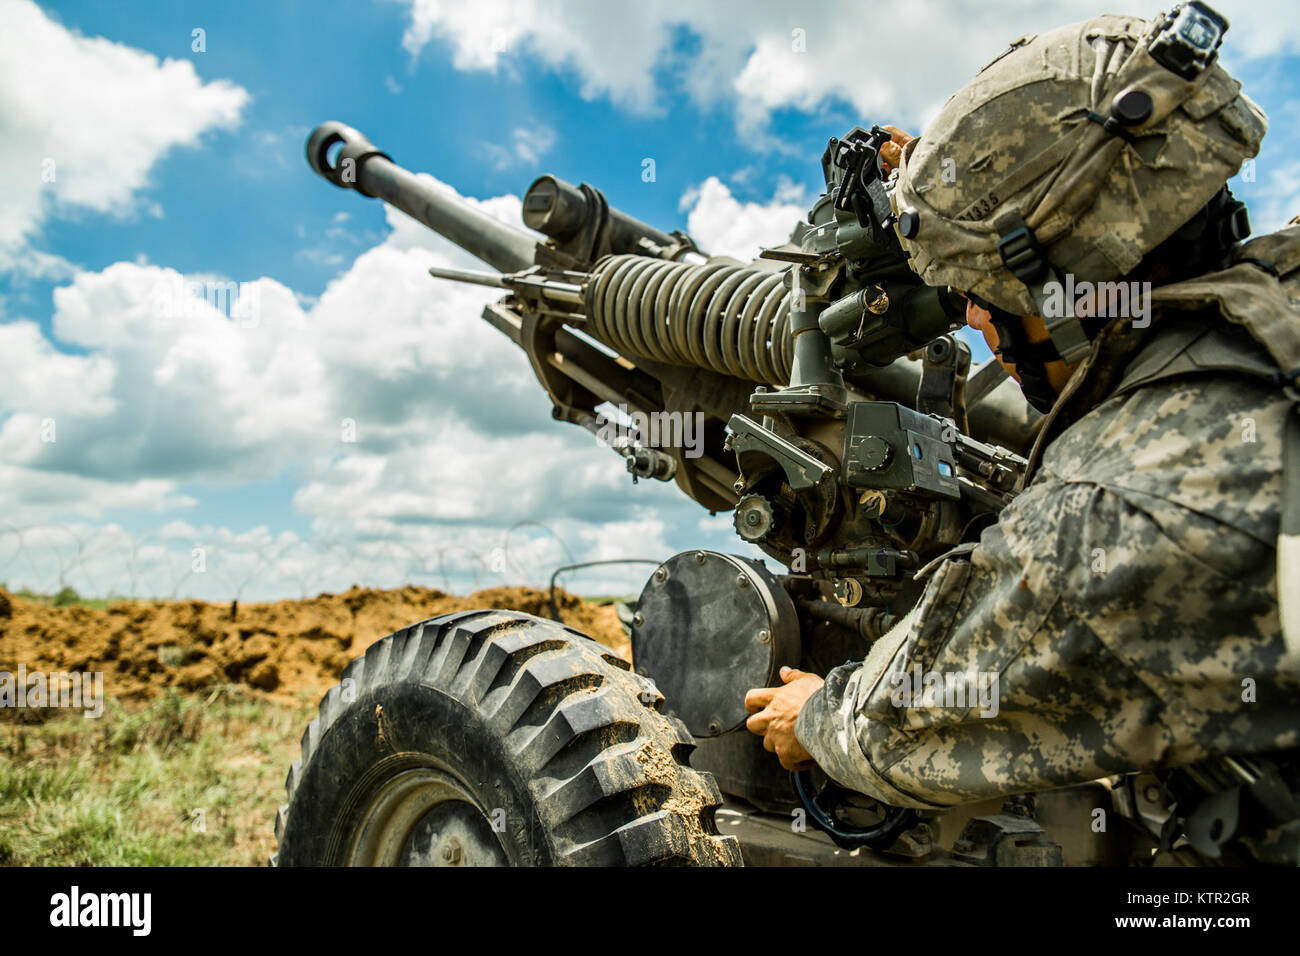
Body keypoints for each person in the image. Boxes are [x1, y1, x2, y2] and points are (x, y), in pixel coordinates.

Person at [744, 6, 1300, 862]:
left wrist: (813, 715)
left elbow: (911, 717)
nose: (973, 318)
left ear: (1072, 289)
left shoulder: (1117, 510)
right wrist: (950, 189)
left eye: (989, 294)